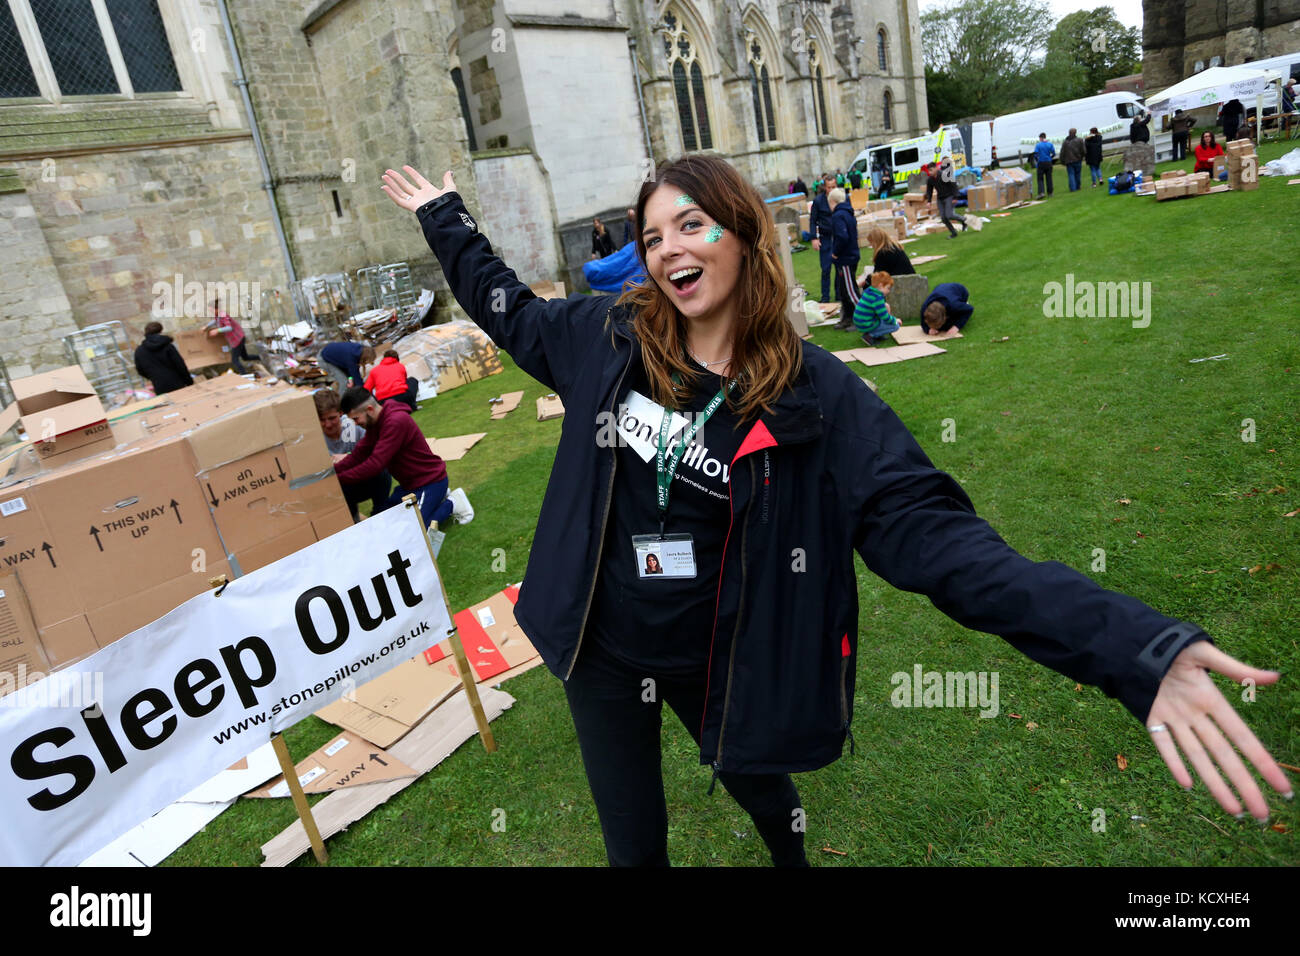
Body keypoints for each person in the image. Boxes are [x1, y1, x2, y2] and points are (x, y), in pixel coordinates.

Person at [379, 157, 1290, 869]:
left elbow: (941, 539)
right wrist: (446, 219)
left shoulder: (817, 398)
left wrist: (1132, 647)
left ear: (741, 233)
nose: (667, 250)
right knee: (634, 846)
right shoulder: (605, 340)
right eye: (652, 236)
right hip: (599, 648)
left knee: (766, 794)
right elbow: (505, 306)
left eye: (689, 224)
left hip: (722, 652)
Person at [334, 386, 471, 528]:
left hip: (429, 482)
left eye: (356, 419)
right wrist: (332, 472)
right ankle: (435, 499)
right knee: (383, 522)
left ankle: (453, 503)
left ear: (369, 409)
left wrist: (338, 479)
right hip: (409, 487)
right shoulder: (374, 424)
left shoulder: (395, 422)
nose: (356, 424)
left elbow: (375, 464)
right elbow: (359, 454)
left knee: (415, 530)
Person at [314, 388, 391, 522]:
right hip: (336, 487)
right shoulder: (313, 439)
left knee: (383, 472)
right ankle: (351, 520)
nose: (327, 424)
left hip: (362, 478)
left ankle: (380, 512)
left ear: (341, 413)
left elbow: (375, 454)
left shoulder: (354, 425)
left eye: (332, 418)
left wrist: (347, 456)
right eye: (322, 420)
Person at [828, 187, 861, 331]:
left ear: (833, 202)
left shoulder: (838, 216)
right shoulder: (849, 213)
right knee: (843, 289)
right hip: (851, 255)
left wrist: (835, 252)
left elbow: (842, 236)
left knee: (850, 290)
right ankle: (847, 317)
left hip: (845, 257)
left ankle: (861, 317)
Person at [133, 321, 194, 395]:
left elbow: (140, 370)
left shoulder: (139, 351)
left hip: (159, 385)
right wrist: (189, 381)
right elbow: (180, 365)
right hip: (177, 382)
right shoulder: (168, 346)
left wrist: (153, 377)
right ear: (161, 331)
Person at [851, 271, 900, 345]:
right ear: (880, 286)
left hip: (861, 321)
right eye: (888, 288)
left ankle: (877, 335)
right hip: (866, 324)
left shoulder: (869, 291)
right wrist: (895, 320)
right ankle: (870, 336)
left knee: (885, 306)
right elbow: (884, 316)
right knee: (895, 326)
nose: (888, 291)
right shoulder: (877, 298)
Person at [207, 307, 259, 374]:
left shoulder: (223, 315)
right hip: (238, 338)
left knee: (234, 360)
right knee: (245, 357)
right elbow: (215, 321)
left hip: (237, 339)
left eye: (211, 310)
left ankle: (244, 375)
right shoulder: (218, 316)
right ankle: (262, 357)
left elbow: (229, 327)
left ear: (217, 308)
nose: (211, 311)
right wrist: (207, 326)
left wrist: (217, 330)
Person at [809, 174, 835, 303]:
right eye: (829, 187)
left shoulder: (842, 198)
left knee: (841, 269)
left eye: (834, 187)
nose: (831, 190)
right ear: (825, 187)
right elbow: (813, 220)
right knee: (826, 268)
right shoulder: (818, 201)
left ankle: (840, 295)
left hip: (838, 237)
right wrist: (814, 238)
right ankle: (825, 297)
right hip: (825, 238)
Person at [924, 156, 965, 238]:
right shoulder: (930, 180)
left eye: (931, 170)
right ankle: (954, 233)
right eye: (929, 171)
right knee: (943, 218)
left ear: (936, 168)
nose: (930, 172)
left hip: (949, 196)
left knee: (949, 215)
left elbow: (953, 185)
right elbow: (929, 191)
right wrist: (929, 201)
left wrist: (955, 197)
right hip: (940, 198)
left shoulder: (944, 175)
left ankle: (964, 220)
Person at [1033, 133, 1056, 198]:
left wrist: (1038, 161)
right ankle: (1050, 192)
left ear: (1040, 138)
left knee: (1040, 178)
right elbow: (1053, 153)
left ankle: (1041, 192)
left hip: (1041, 163)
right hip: (1048, 162)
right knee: (1049, 178)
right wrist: (1050, 158)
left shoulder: (1038, 145)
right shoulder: (1050, 144)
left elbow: (1035, 154)